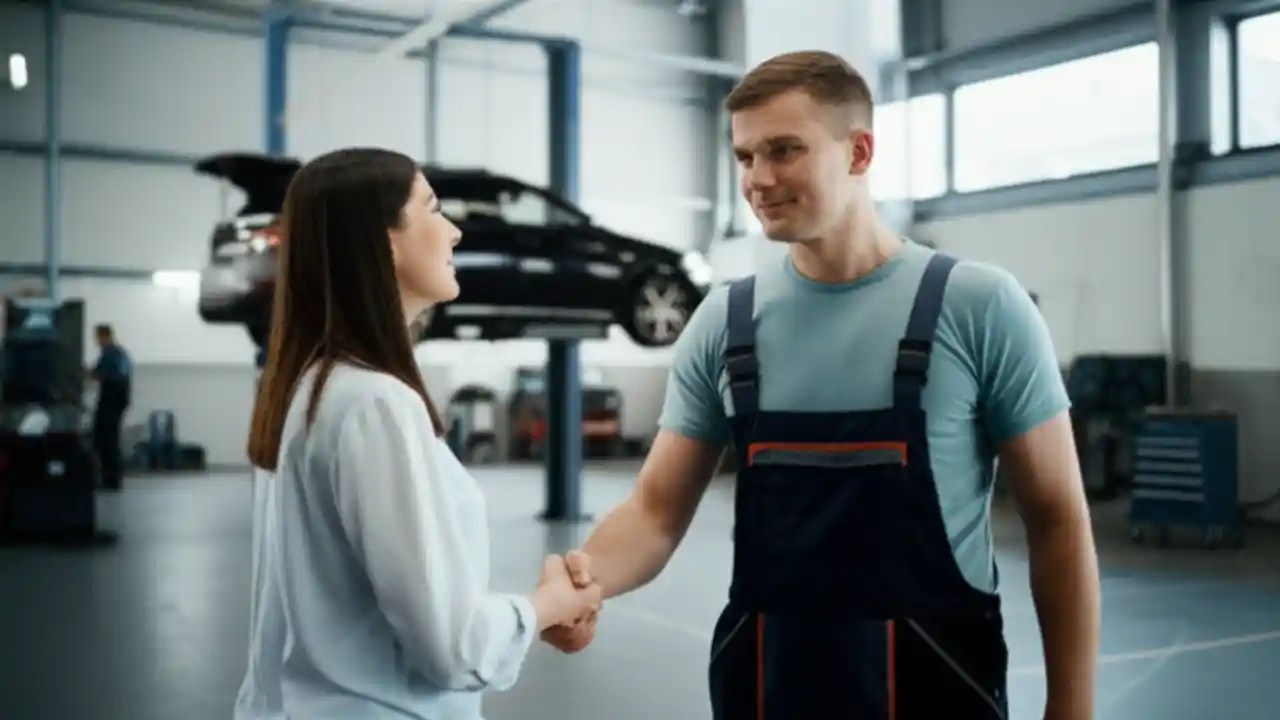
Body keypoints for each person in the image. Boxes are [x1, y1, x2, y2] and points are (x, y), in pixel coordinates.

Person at [544, 51, 1102, 719]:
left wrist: (1072, 708)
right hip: (768, 689)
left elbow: (1057, 519)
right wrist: (586, 583)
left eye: (784, 150)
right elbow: (655, 512)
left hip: (941, 688)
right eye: (746, 156)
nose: (759, 179)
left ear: (859, 152)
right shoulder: (726, 322)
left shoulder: (981, 307)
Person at [234, 147, 601, 719]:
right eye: (432, 209)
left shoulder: (307, 388)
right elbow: (451, 649)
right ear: (386, 241)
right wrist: (550, 603)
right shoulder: (377, 405)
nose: (453, 231)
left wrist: (528, 619)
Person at [87, 323, 132, 491]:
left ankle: (111, 480)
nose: (96, 341)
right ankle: (109, 478)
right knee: (105, 439)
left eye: (97, 337)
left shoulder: (112, 353)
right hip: (115, 401)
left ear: (104, 336)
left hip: (112, 402)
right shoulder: (116, 353)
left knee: (107, 440)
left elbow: (106, 375)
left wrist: (89, 374)